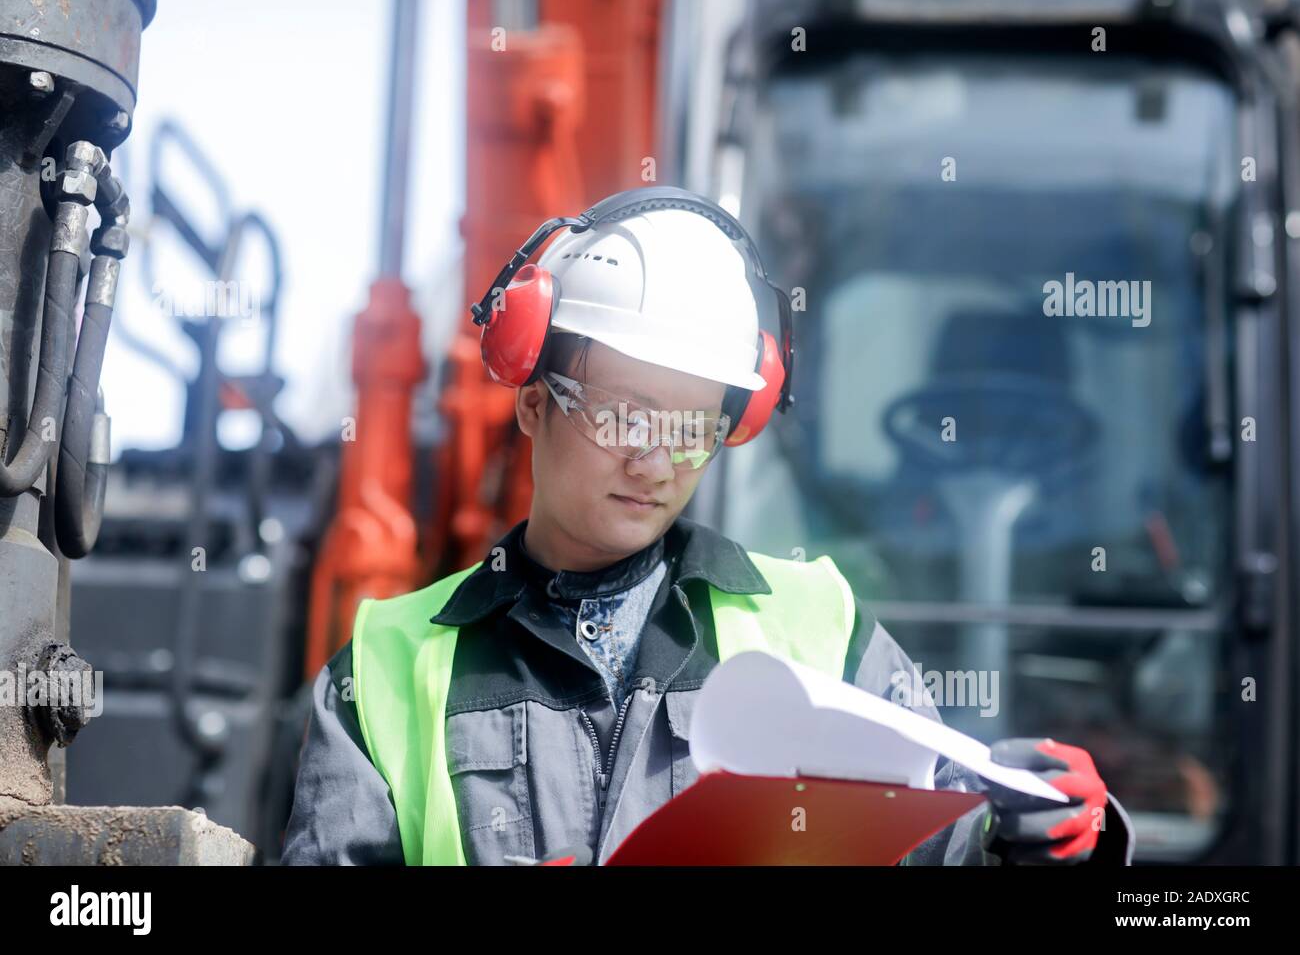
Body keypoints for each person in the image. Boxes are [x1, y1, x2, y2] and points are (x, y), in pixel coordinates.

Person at [282, 186, 1134, 866]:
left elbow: (945, 844)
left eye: (693, 430)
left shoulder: (818, 631)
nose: (656, 463)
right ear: (535, 405)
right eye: (623, 418)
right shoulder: (387, 670)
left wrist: (1039, 838)